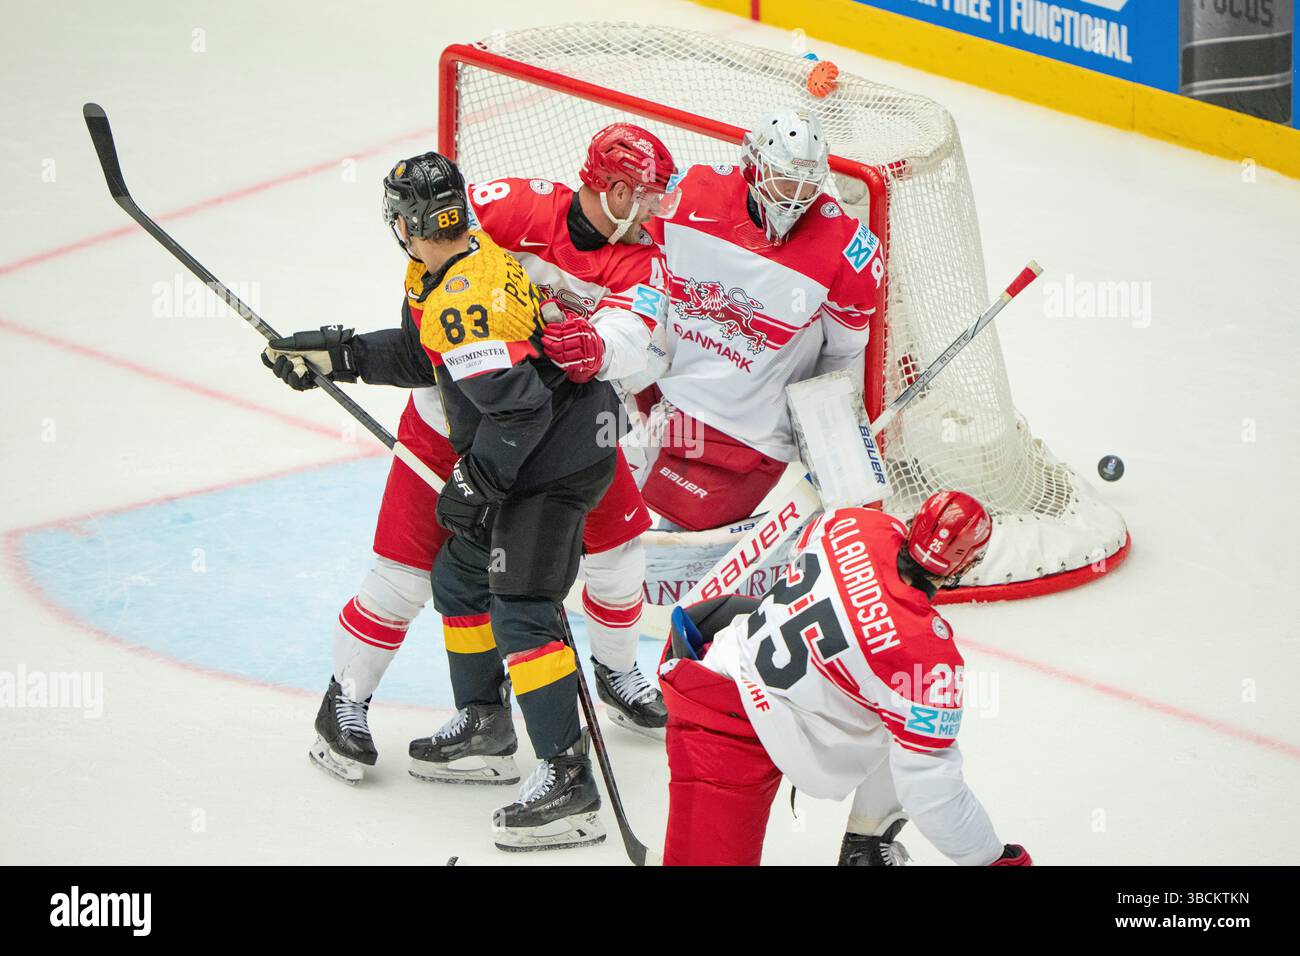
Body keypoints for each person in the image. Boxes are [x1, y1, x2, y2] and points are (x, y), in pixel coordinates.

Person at [260, 124, 678, 791]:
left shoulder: (642, 262)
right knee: (412, 575)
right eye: (650, 195)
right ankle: (357, 701)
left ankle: (614, 672)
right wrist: (340, 355)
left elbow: (633, 336)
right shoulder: (505, 211)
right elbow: (422, 337)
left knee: (616, 553)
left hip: (555, 438)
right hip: (460, 427)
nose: (659, 209)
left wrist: (597, 349)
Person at [546, 107, 885, 532]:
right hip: (663, 402)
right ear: (753, 165)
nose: (795, 196)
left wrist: (827, 438)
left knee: (659, 552)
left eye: (807, 185)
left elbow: (845, 355)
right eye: (785, 179)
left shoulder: (845, 248)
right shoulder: (686, 196)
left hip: (752, 439)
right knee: (577, 504)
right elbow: (637, 274)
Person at [658, 490, 1032, 866]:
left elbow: (798, 560)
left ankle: (865, 849)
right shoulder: (926, 657)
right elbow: (930, 788)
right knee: (915, 728)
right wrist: (989, 857)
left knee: (902, 716)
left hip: (728, 658)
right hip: (724, 723)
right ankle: (866, 839)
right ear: (963, 565)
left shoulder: (855, 522)